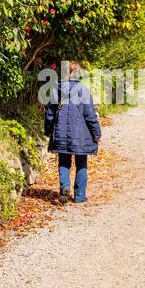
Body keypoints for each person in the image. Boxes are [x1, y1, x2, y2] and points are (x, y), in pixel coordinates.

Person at [43, 61, 101, 204]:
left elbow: (49, 113)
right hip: (81, 135)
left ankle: (64, 187)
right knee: (81, 163)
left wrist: (48, 130)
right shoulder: (83, 90)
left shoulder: (56, 90)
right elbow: (90, 115)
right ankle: (80, 196)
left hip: (61, 133)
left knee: (64, 161)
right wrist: (97, 133)